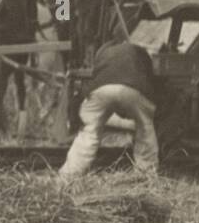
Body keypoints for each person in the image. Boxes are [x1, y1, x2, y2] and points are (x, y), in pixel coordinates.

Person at [58, 35, 159, 180]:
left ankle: (70, 173)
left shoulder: (104, 53)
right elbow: (150, 76)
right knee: (145, 128)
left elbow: (94, 74)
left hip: (101, 88)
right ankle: (147, 173)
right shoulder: (139, 51)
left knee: (89, 131)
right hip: (133, 88)